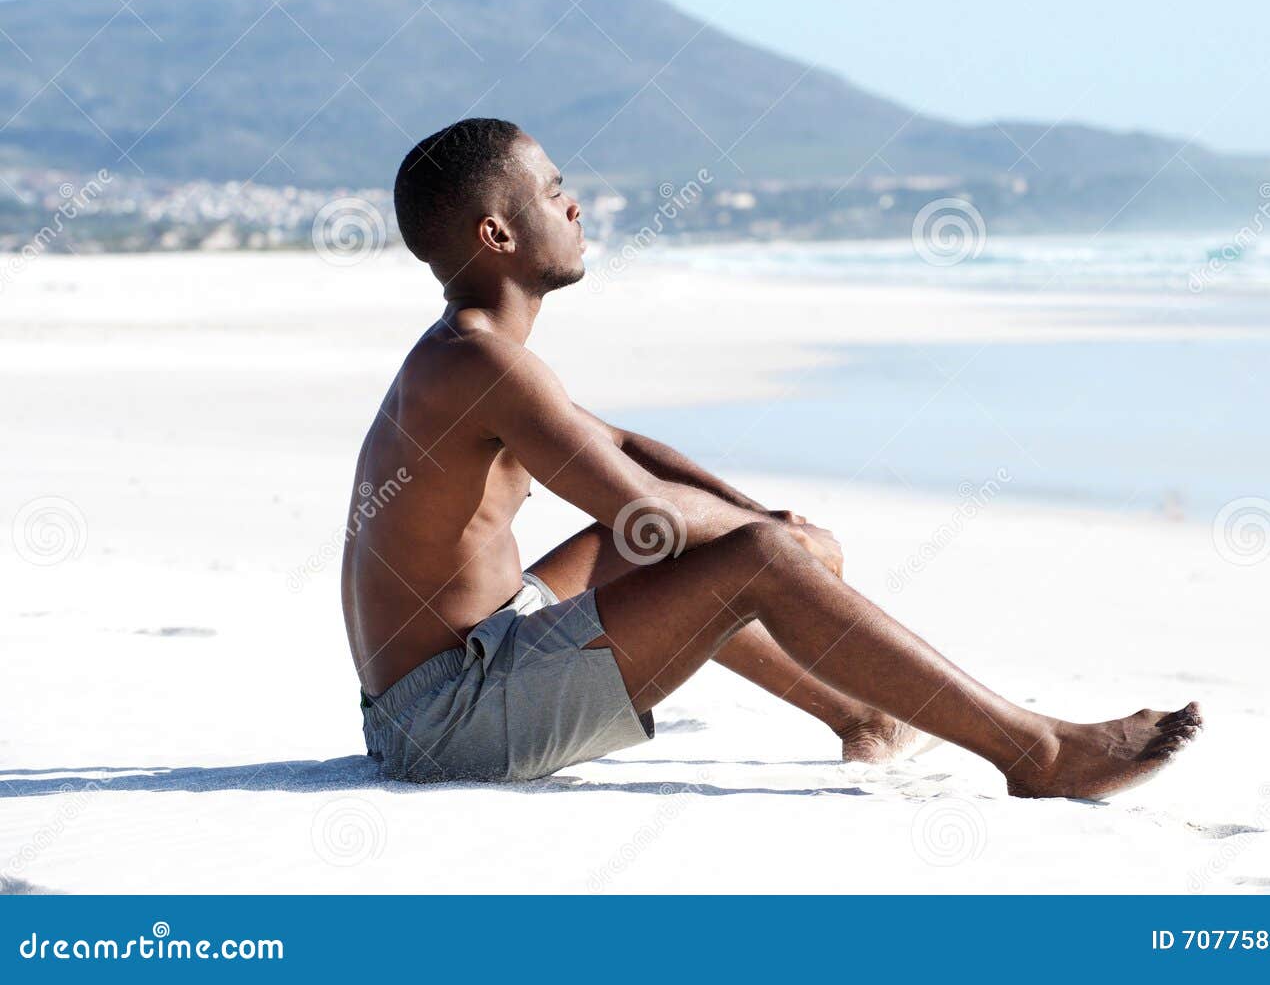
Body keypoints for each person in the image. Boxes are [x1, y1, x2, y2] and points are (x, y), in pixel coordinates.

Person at [341, 117, 1202, 796]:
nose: (574, 206)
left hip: (467, 660)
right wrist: (771, 540)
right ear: (497, 233)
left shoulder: (474, 351)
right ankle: (1037, 752)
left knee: (725, 545)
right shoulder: (480, 364)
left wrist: (765, 518)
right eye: (555, 190)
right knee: (748, 558)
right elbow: (648, 516)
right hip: (443, 719)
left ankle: (864, 715)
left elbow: (627, 449)